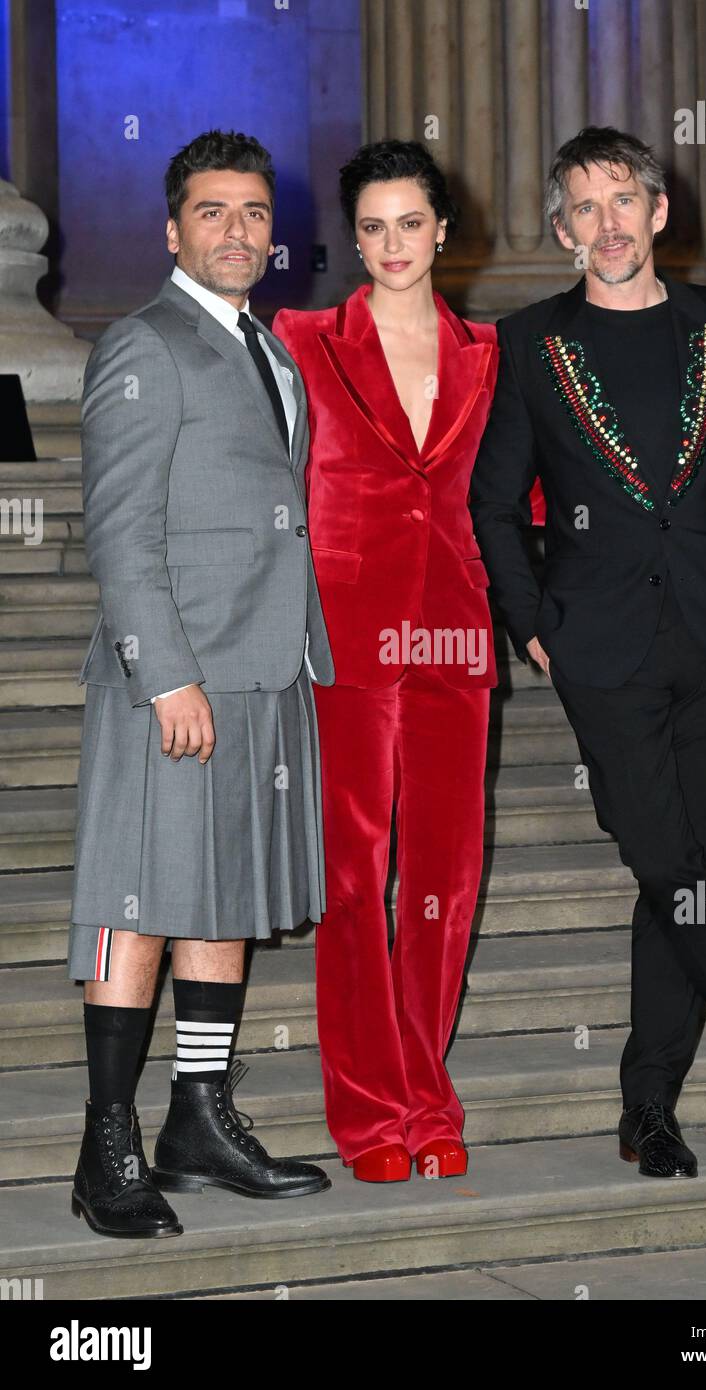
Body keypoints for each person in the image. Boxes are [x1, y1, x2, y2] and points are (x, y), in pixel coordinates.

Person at [470, 125, 706, 1180]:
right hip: (600, 642)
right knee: (662, 858)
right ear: (562, 229)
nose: (605, 224)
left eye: (621, 200)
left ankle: (647, 1111)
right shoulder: (532, 342)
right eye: (582, 207)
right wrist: (529, 619)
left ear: (657, 212)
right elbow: (490, 502)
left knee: (680, 875)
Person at [67, 129, 334, 1237]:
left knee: (222, 901)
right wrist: (165, 677)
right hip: (174, 682)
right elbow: (119, 534)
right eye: (214, 211)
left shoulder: (267, 350)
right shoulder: (144, 344)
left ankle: (199, 1117)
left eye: (256, 213)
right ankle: (104, 1147)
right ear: (172, 229)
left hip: (263, 671)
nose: (238, 231)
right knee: (142, 903)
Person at [272, 140, 500, 1182]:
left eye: (410, 223)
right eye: (371, 227)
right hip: (344, 635)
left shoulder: (491, 355)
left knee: (443, 878)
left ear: (443, 230)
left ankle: (425, 1092)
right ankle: (369, 1110)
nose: (391, 245)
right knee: (356, 876)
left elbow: (522, 499)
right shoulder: (302, 338)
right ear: (350, 236)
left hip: (453, 635)